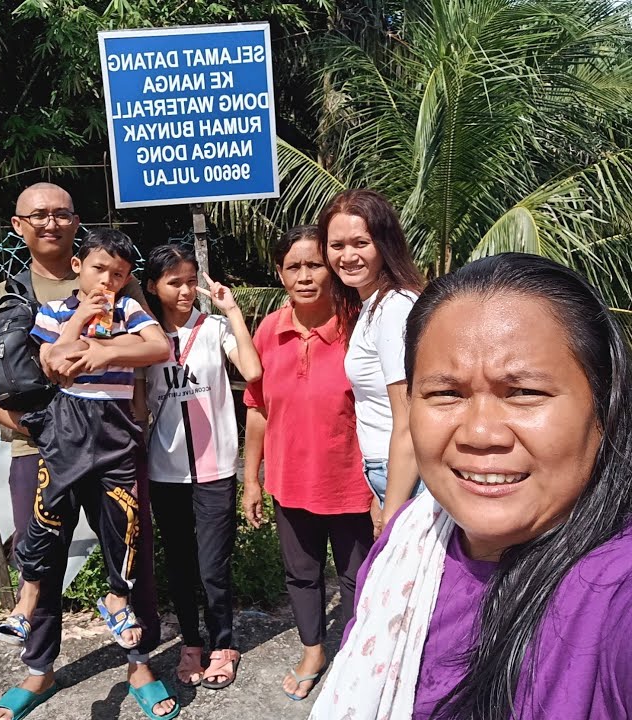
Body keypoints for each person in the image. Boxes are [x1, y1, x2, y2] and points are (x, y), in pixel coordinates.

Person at [311, 253, 632, 719]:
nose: (480, 434)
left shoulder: (614, 594)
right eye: (446, 393)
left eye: (524, 392)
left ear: (605, 406)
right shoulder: (409, 539)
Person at [0, 183, 179, 719]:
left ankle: (139, 665)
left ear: (77, 226)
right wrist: (47, 431)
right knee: (41, 553)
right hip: (35, 447)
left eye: (62, 212)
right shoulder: (6, 297)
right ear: (18, 225)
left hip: (112, 444)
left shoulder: (118, 288)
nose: (50, 222)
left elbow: (150, 352)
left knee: (128, 545)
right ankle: (38, 672)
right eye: (38, 214)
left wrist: (100, 353)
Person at [239, 226, 375, 701]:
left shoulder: (361, 325)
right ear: (279, 274)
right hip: (289, 480)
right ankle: (313, 650)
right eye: (293, 267)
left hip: (351, 482)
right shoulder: (268, 330)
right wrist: (251, 479)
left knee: (359, 577)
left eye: (314, 264)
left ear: (332, 269)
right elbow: (256, 407)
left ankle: (363, 655)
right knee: (301, 573)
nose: (304, 276)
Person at [137, 243, 261, 691]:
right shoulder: (144, 337)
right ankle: (191, 642)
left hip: (215, 469)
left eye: (192, 281)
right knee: (181, 565)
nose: (186, 290)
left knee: (213, 565)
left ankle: (224, 645)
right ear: (153, 286)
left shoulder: (212, 328)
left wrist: (233, 311)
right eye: (175, 282)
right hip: (165, 470)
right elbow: (137, 404)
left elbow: (252, 368)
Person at [319, 188, 426, 534]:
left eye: (360, 243)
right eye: (337, 246)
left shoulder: (394, 308)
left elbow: (409, 420)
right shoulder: (372, 306)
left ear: (385, 244)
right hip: (389, 471)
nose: (347, 256)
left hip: (408, 474)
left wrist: (392, 510)